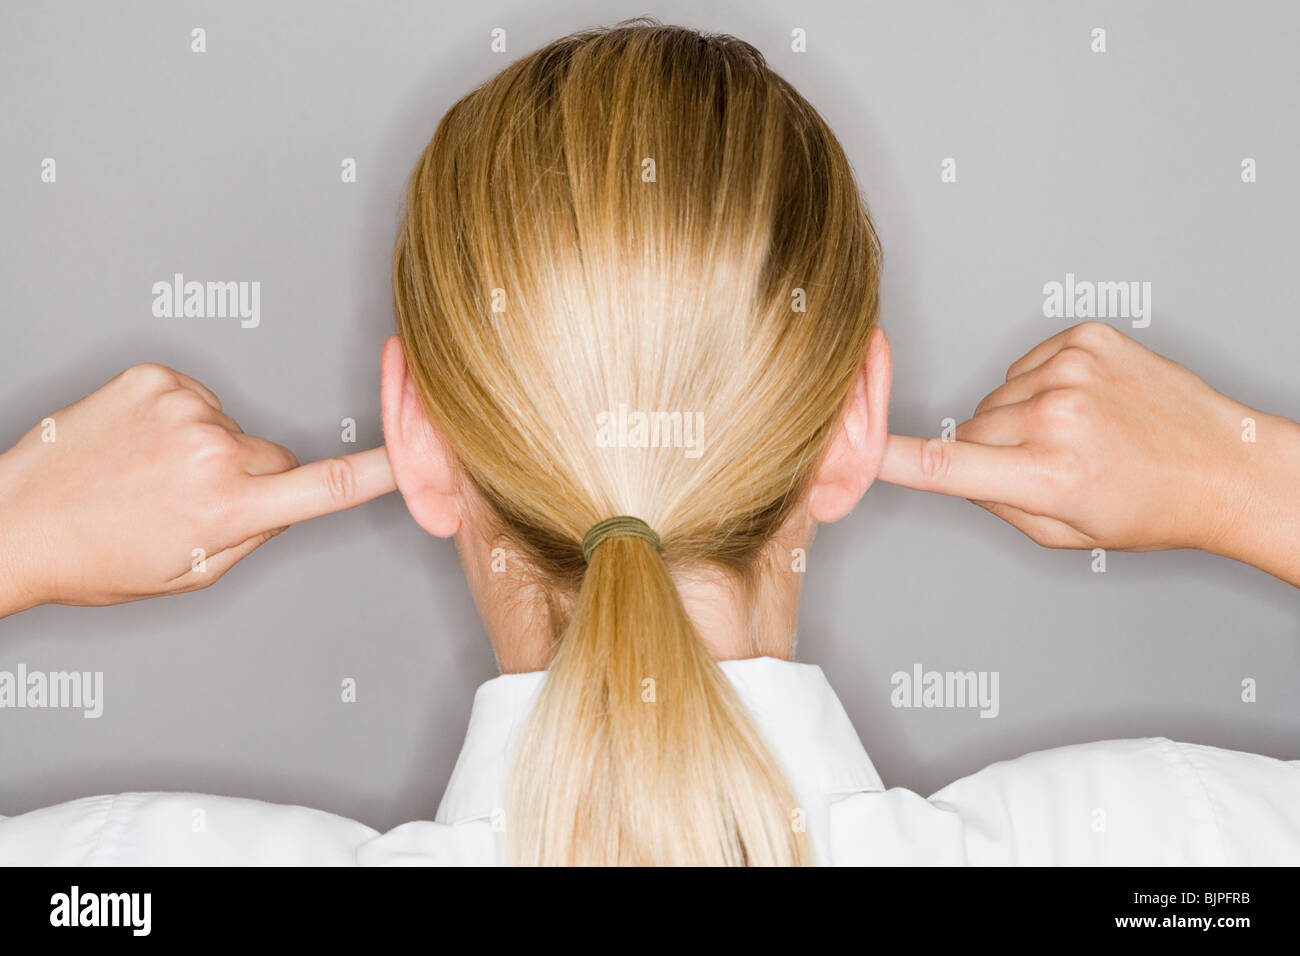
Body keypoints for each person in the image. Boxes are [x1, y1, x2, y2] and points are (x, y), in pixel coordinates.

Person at [1, 22, 1296, 866]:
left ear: (421, 442)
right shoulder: (1173, 855)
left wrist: (21, 528)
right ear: (852, 424)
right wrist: (1251, 476)